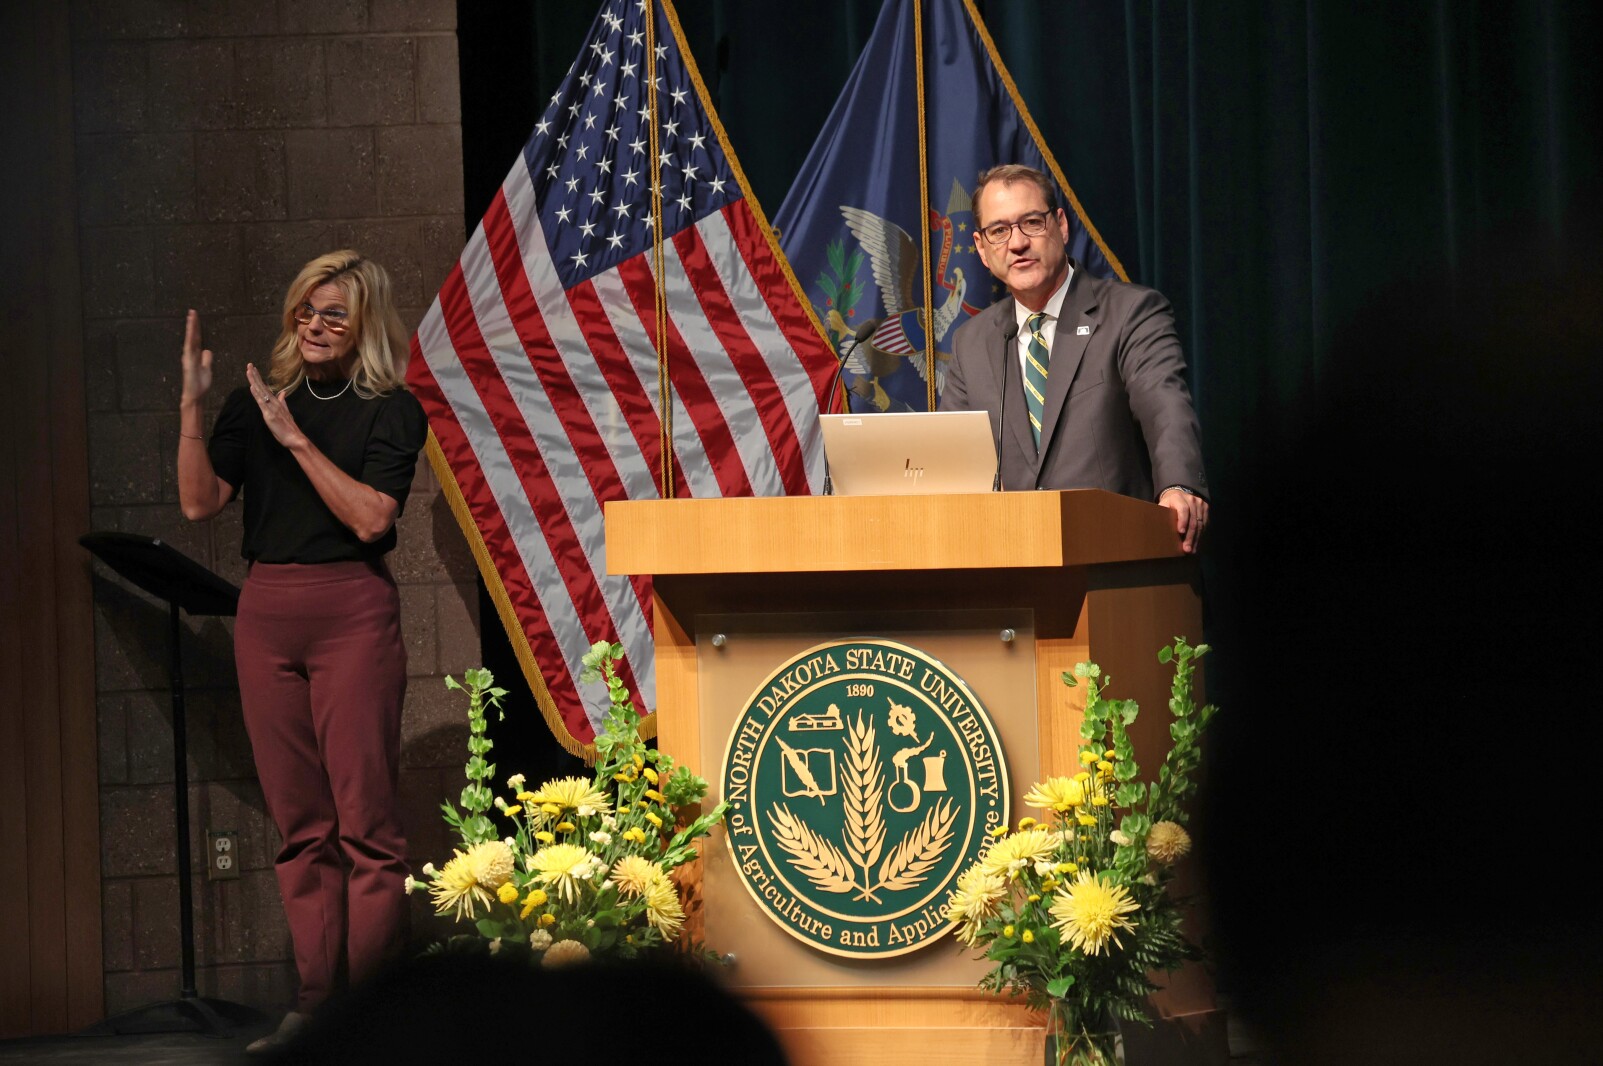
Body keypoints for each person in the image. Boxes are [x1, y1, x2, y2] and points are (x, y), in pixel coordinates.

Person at [177, 250, 428, 1052]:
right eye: (305, 311)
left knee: (367, 827)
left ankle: (373, 1014)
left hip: (350, 611)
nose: (314, 327)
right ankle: (317, 1005)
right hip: (268, 613)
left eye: (334, 316)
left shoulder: (390, 409)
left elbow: (370, 521)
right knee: (299, 825)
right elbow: (197, 502)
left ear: (363, 326)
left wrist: (296, 442)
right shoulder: (258, 403)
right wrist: (192, 406)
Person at [939, 163, 1209, 553]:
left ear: (1061, 225)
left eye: (1031, 222)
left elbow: (1165, 407)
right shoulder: (971, 342)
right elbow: (953, 461)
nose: (1017, 244)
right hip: (1010, 564)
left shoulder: (1130, 313)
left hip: (1115, 561)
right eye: (999, 231)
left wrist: (1178, 485)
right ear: (981, 249)